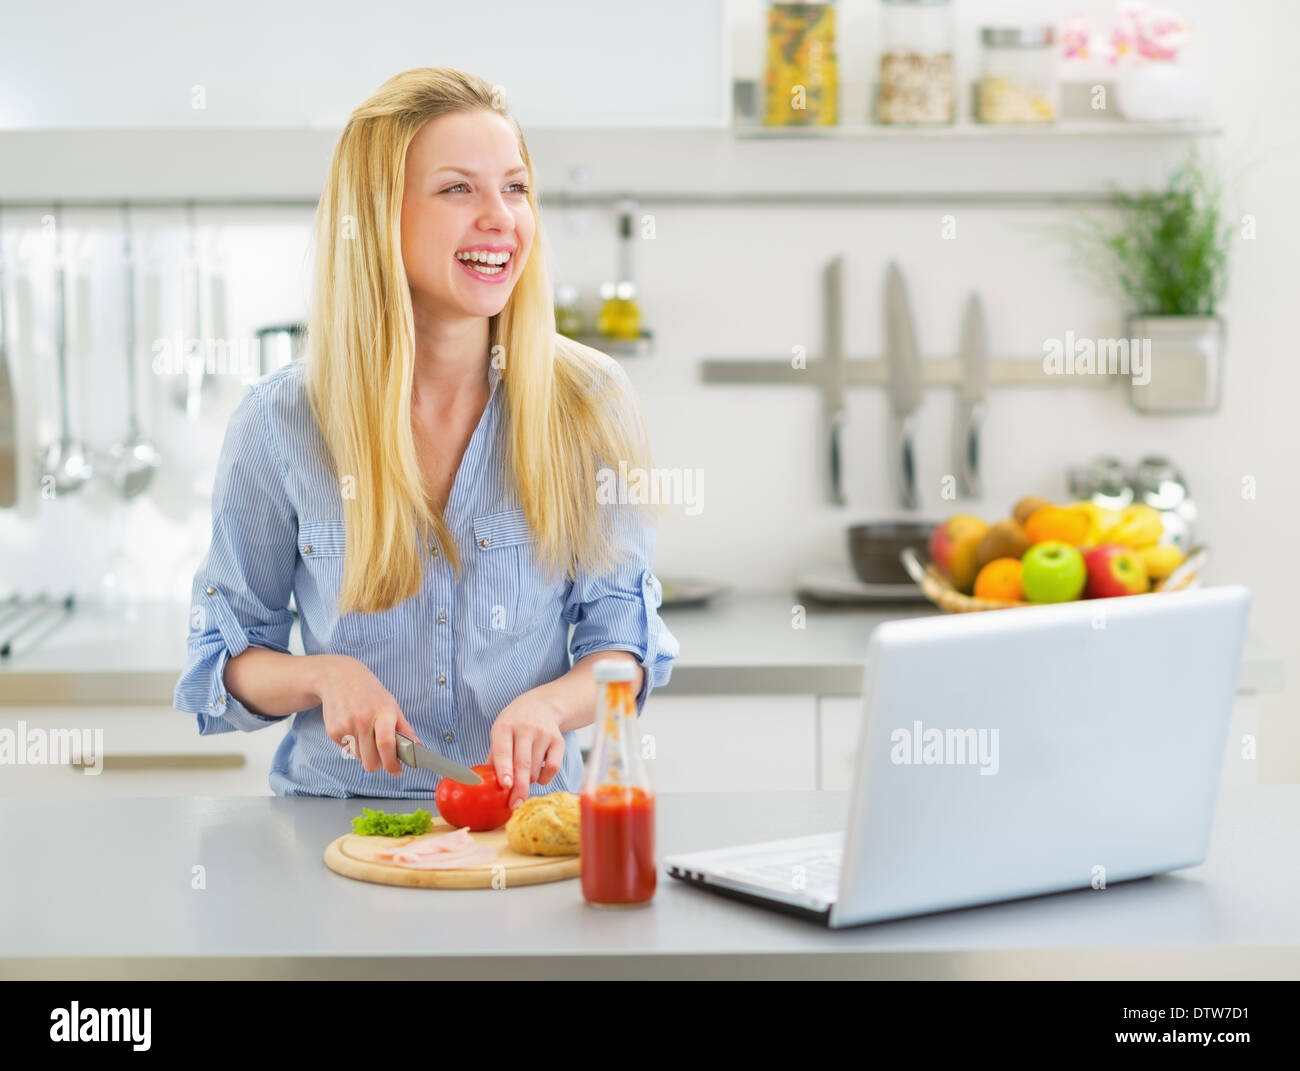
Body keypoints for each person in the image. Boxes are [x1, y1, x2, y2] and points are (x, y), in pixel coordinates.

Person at [173, 67, 679, 804]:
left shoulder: (589, 402)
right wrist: (323, 675)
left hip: (528, 833)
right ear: (378, 218)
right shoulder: (280, 420)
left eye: (515, 187)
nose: (502, 217)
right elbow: (226, 654)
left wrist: (549, 704)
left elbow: (622, 646)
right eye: (457, 189)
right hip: (339, 830)